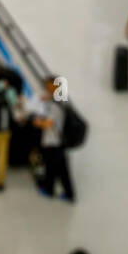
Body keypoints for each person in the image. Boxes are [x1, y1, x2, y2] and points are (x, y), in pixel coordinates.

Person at [33, 75, 75, 203]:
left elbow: (49, 124)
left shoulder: (56, 106)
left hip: (52, 141)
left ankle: (50, 190)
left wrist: (37, 122)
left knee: (52, 168)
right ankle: (67, 192)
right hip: (59, 141)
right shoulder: (62, 99)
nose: (47, 87)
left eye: (49, 85)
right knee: (61, 168)